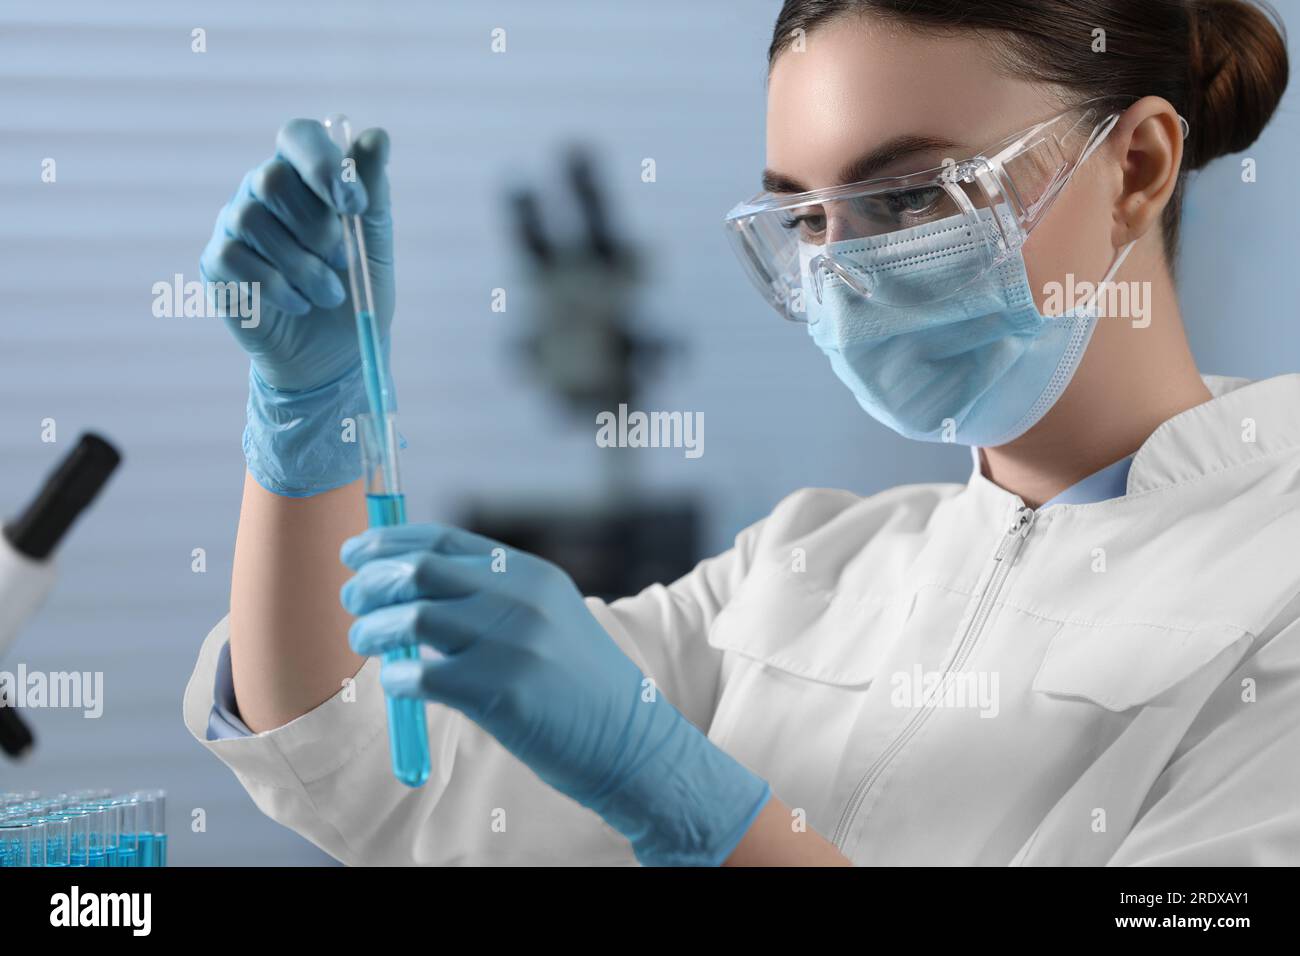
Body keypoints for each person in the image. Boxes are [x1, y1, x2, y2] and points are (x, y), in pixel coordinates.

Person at [185, 0, 1296, 865]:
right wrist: (313, 409)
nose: (843, 273)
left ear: (1136, 166)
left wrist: (686, 797)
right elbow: (361, 757)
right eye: (805, 217)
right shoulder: (808, 569)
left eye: (909, 197)